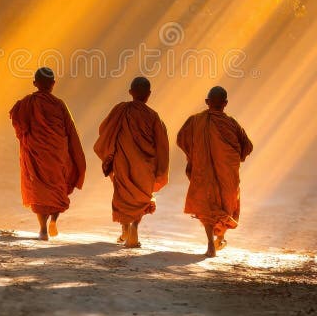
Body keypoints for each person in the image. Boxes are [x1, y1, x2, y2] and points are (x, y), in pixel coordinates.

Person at [10, 67, 86, 240]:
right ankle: (54, 221)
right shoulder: (59, 104)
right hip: (57, 153)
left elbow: (19, 126)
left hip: (36, 152)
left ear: (35, 83)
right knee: (58, 187)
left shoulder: (27, 103)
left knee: (39, 189)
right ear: (53, 84)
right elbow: (70, 131)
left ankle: (43, 229)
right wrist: (75, 155)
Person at [176, 86, 253, 257]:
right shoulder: (231, 123)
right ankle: (220, 237)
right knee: (225, 205)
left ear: (207, 102)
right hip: (227, 174)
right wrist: (232, 158)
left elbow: (181, 139)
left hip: (203, 171)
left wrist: (194, 154)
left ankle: (211, 243)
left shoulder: (196, 121)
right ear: (225, 103)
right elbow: (247, 146)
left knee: (207, 205)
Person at [94, 76, 169, 248]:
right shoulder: (153, 116)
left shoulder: (120, 110)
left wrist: (111, 152)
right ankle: (134, 227)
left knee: (123, 194)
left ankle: (125, 230)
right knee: (140, 197)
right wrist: (161, 168)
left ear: (130, 92)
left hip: (122, 162)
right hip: (145, 165)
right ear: (148, 94)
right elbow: (162, 144)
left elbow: (104, 129)